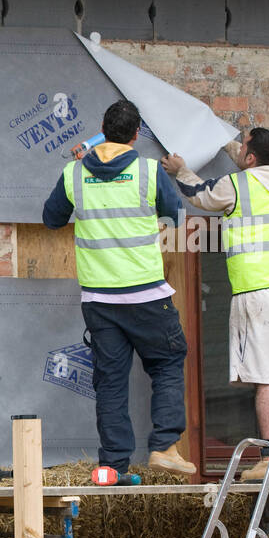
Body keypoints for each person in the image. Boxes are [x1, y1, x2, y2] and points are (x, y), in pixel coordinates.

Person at [42, 99, 195, 485]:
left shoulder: (75, 172)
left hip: (100, 300)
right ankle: (164, 447)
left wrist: (80, 172)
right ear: (136, 134)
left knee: (110, 381)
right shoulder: (148, 171)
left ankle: (112, 466)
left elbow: (51, 219)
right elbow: (177, 217)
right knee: (167, 362)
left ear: (102, 131)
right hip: (146, 294)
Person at [161, 128, 269, 484]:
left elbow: (200, 195)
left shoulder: (237, 185)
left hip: (259, 293)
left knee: (265, 381)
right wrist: (225, 139)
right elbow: (259, 164)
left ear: (251, 158)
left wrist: (180, 170)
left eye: (243, 149)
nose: (239, 151)